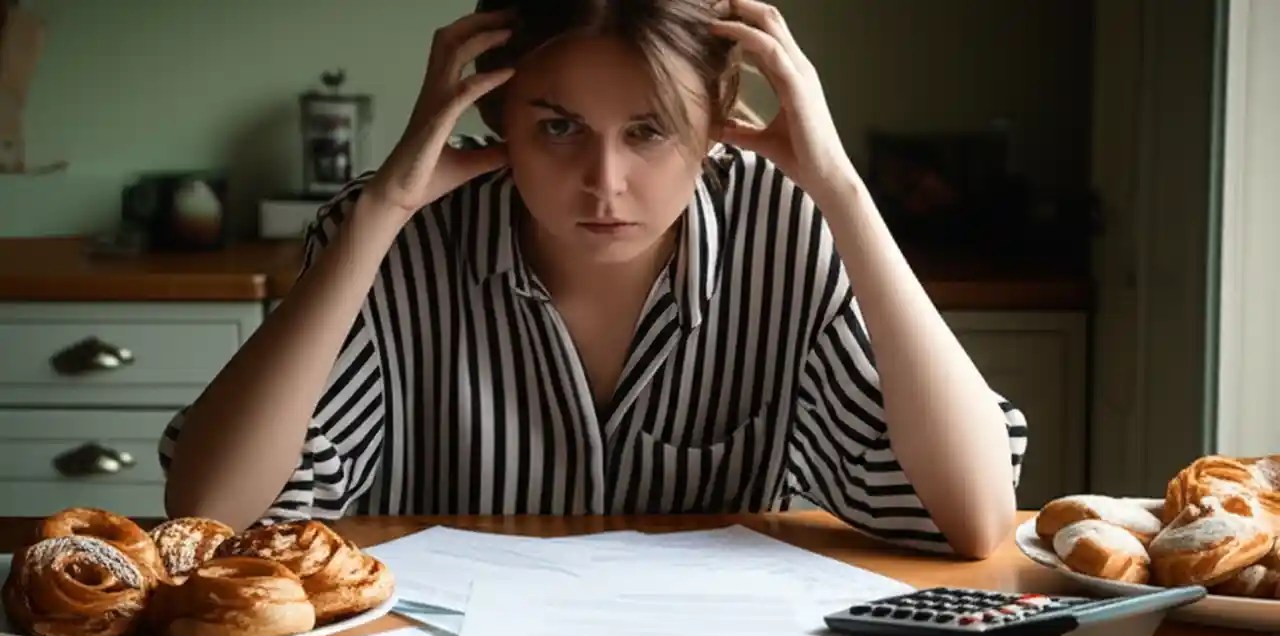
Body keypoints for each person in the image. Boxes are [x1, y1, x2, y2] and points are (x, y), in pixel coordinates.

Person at [160, 0, 1028, 559]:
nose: (604, 184)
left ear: (718, 125)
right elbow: (212, 513)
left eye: (650, 132)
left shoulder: (787, 225)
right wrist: (383, 203)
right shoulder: (397, 232)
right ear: (494, 116)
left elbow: (977, 514)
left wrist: (842, 191)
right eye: (560, 128)